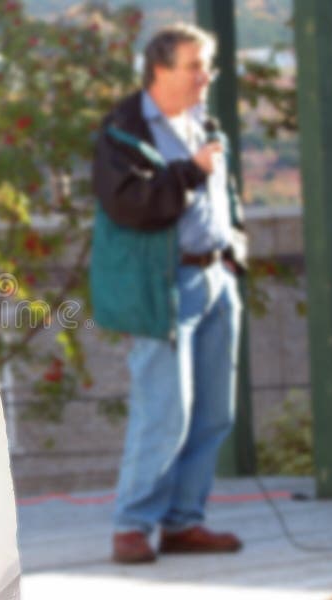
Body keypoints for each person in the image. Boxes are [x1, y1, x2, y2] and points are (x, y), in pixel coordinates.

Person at [89, 23, 248, 564]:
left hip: (216, 279)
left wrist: (233, 248)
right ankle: (132, 526)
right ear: (160, 69)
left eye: (209, 66)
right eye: (195, 66)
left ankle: (183, 522)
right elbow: (131, 205)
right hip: (166, 285)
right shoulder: (124, 131)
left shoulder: (203, 120)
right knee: (164, 411)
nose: (207, 76)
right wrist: (190, 172)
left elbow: (223, 190)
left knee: (213, 413)